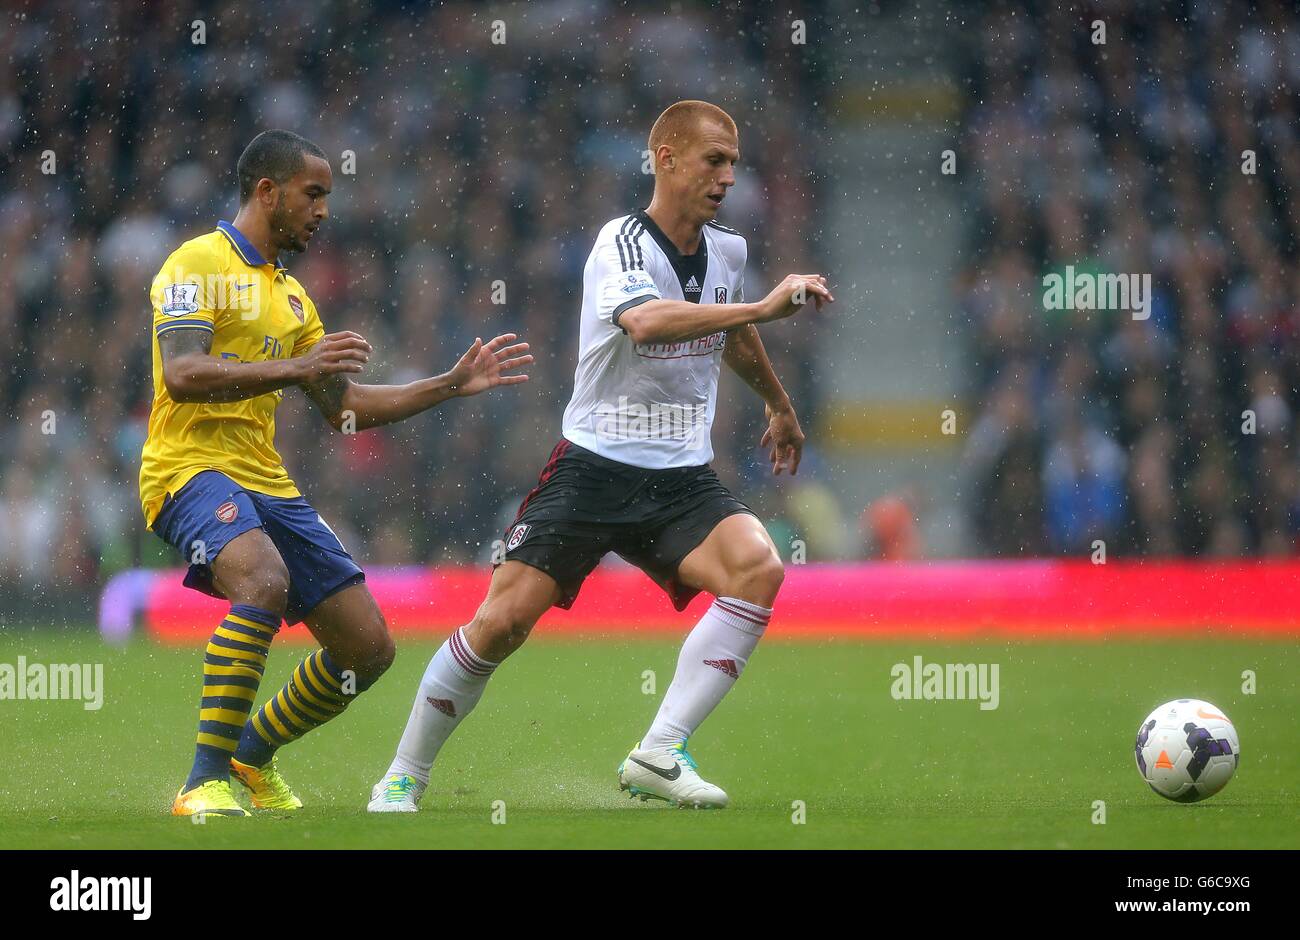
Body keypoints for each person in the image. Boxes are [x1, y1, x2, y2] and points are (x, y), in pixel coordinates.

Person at [370, 101, 832, 811]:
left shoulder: (729, 251)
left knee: (759, 568)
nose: (727, 178)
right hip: (592, 468)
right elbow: (646, 322)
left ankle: (660, 750)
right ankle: (405, 774)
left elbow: (731, 331)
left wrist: (778, 402)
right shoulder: (621, 241)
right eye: (714, 160)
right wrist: (763, 309)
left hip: (681, 477)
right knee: (501, 623)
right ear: (667, 159)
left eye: (734, 164)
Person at [141, 129, 532, 817]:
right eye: (313, 194)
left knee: (367, 648)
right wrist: (298, 366)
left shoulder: (294, 299)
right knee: (262, 582)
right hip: (186, 469)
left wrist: (448, 384)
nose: (323, 211)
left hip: (264, 478)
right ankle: (203, 781)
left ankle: (250, 753)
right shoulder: (196, 263)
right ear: (268, 191)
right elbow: (183, 374)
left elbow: (344, 409)